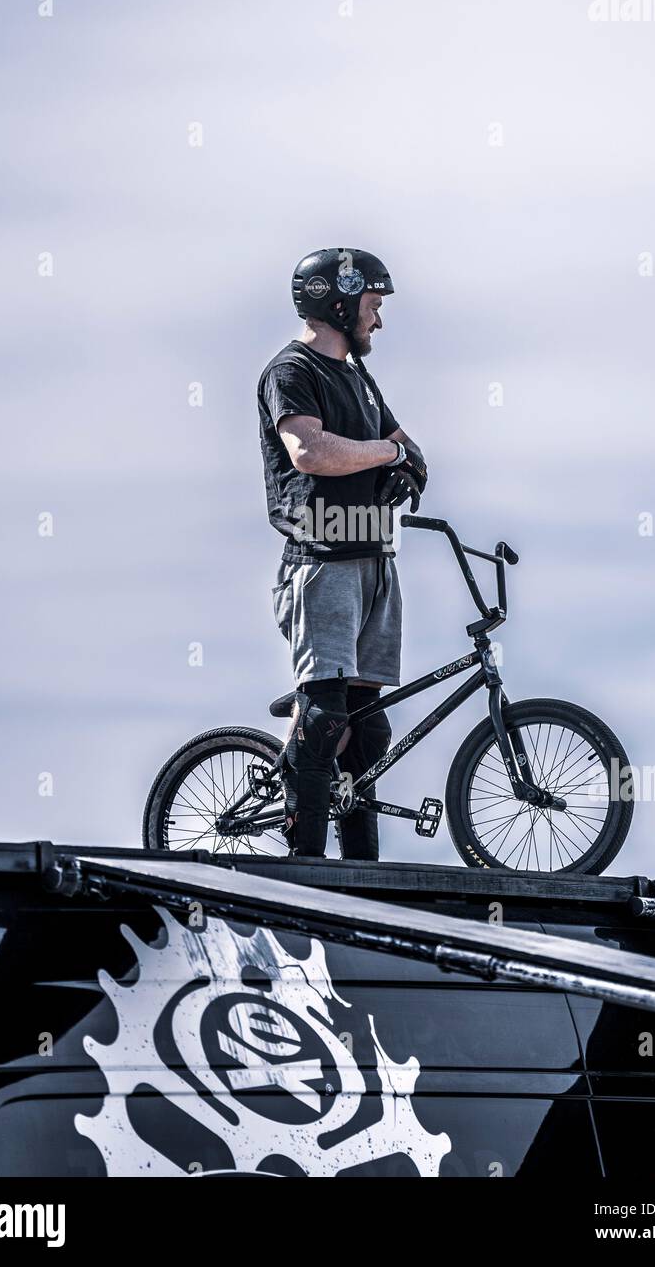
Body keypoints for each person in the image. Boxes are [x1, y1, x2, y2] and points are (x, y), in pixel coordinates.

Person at [257, 247, 428, 860]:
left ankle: (361, 868)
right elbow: (309, 452)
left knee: (367, 727)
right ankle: (305, 859)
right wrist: (388, 455)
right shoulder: (292, 371)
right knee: (327, 715)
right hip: (322, 559)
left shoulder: (358, 375)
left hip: (375, 560)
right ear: (338, 300)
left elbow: (400, 439)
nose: (377, 320)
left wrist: (412, 460)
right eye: (372, 306)